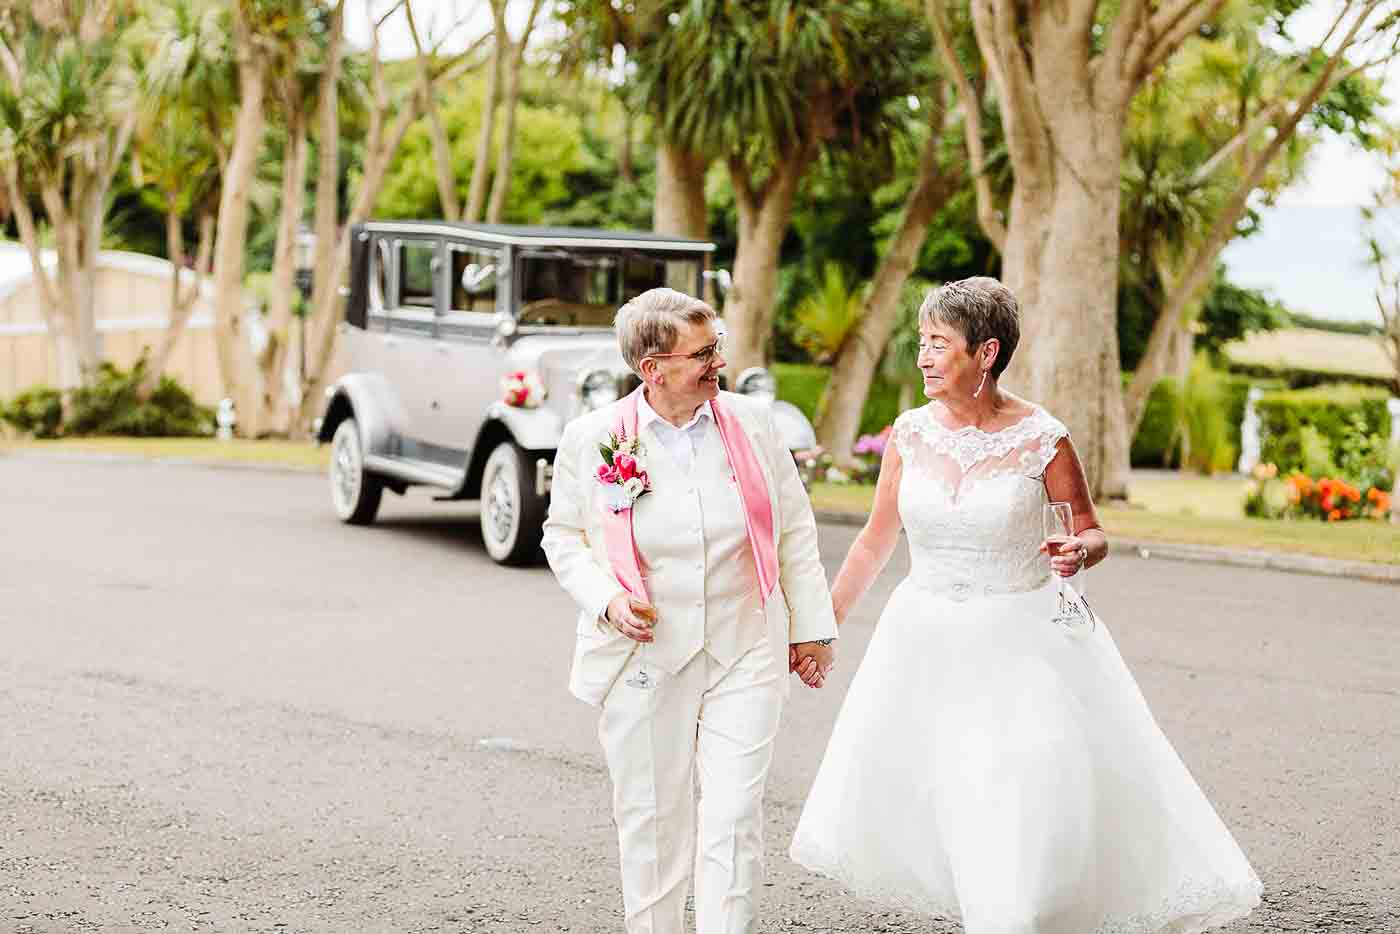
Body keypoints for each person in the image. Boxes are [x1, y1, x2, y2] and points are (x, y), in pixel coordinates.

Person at [790, 277, 1262, 933]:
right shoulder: (909, 434)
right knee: (943, 788)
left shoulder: (1043, 437)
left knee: (1007, 784)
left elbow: (1091, 529)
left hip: (1018, 639)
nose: (923, 357)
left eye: (937, 344)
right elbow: (875, 539)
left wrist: (1080, 551)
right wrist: (822, 626)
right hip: (922, 641)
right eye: (922, 342)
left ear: (986, 353)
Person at [542, 287, 838, 934]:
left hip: (746, 646)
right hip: (645, 654)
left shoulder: (756, 424)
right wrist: (607, 599)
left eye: (718, 348)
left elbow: (793, 529)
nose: (719, 363)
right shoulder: (592, 438)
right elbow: (561, 537)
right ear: (655, 369)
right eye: (703, 353)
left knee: (733, 820)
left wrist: (812, 627)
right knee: (651, 820)